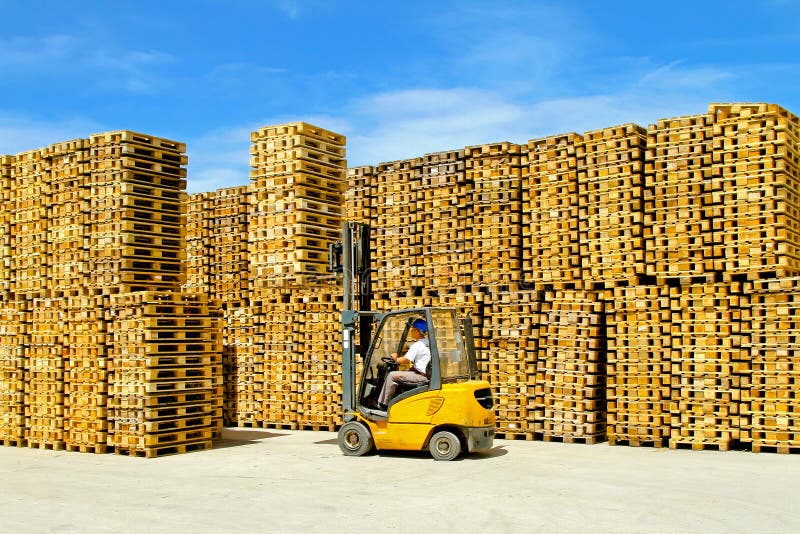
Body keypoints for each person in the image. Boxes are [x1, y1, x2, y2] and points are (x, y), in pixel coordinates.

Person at [377, 318, 431, 411]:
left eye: (412, 329)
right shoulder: (429, 342)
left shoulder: (418, 345)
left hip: (421, 376)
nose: (411, 332)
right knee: (403, 373)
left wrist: (396, 358)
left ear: (417, 331)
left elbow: (406, 360)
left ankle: (383, 405)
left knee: (392, 375)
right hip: (426, 374)